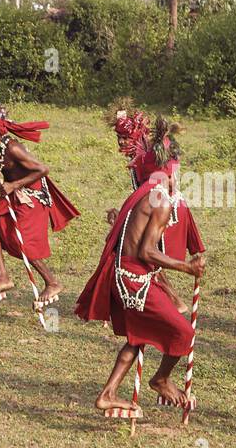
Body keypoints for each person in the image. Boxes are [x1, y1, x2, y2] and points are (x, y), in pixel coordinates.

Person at [76, 118, 206, 415]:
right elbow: (147, 251)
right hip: (134, 279)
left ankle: (107, 394)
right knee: (184, 333)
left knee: (138, 337)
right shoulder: (161, 200)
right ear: (170, 172)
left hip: (124, 275)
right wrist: (186, 267)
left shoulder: (143, 193)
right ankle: (160, 379)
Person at [0, 100, 80, 307]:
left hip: (33, 196)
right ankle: (3, 278)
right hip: (13, 193)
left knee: (22, 242)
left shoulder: (14, 148)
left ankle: (52, 283)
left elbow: (42, 169)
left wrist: (14, 184)